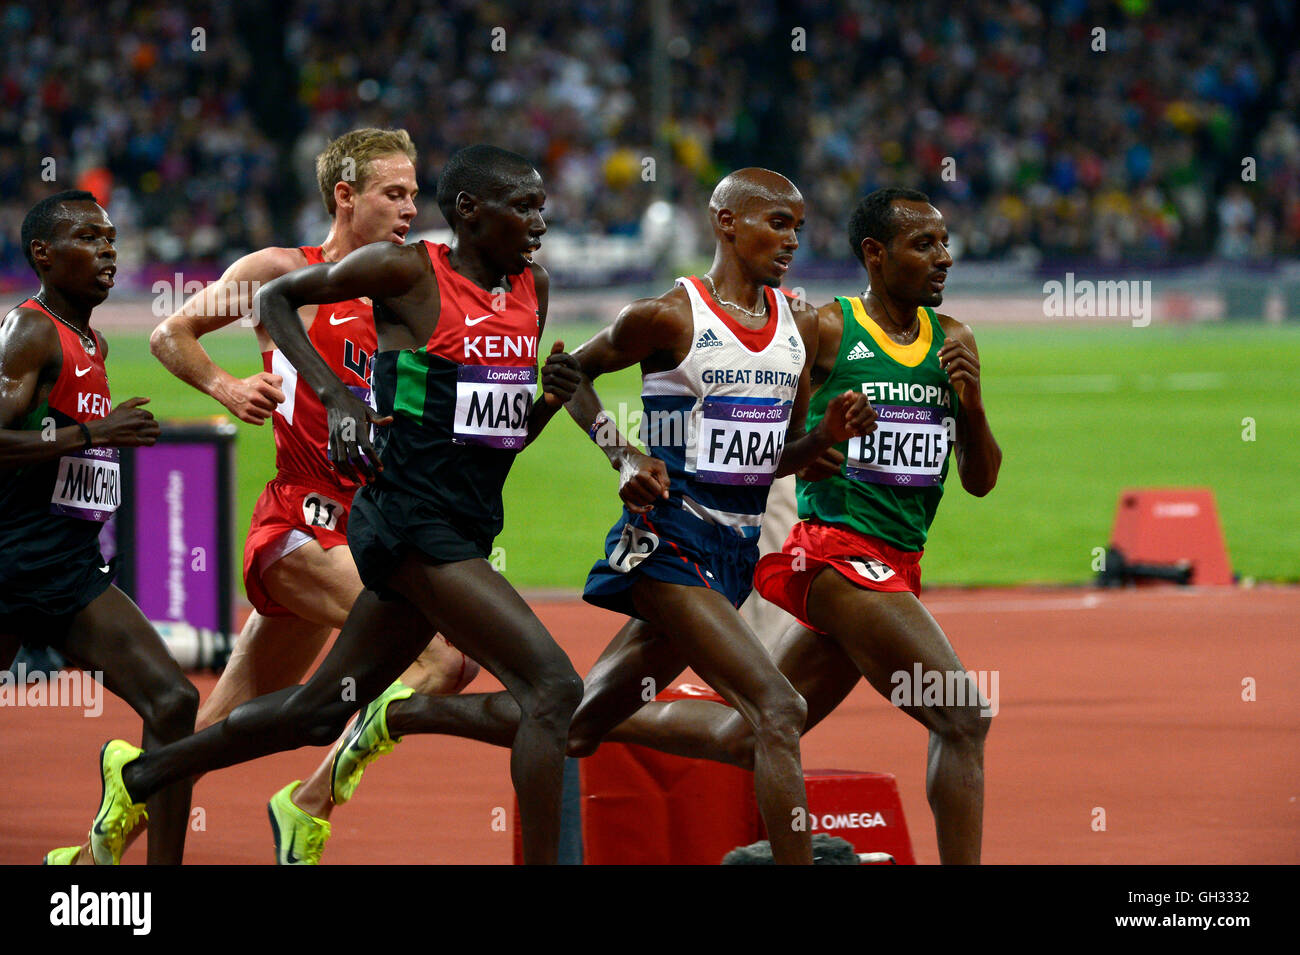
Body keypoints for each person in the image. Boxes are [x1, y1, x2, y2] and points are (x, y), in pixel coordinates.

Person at [348, 169, 876, 865]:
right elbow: (572, 376)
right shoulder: (666, 315)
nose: (790, 240)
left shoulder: (797, 333)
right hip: (668, 544)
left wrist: (822, 440)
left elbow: (773, 461)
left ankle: (401, 711)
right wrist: (623, 455)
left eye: (798, 227)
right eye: (776, 222)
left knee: (575, 725)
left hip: (732, 555)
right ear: (725, 222)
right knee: (778, 709)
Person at [82, 145, 586, 865]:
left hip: (377, 512)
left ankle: (123, 799)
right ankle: (315, 799)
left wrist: (542, 404)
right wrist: (232, 388)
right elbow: (171, 333)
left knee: (292, 712)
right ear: (346, 196)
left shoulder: (426, 286)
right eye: (393, 194)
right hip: (310, 519)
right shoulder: (285, 272)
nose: (411, 209)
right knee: (456, 663)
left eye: (415, 194)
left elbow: (487, 429)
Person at [605, 188, 1002, 864]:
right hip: (835, 556)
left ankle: (588, 714)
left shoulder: (954, 341)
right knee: (961, 713)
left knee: (747, 730)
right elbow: (772, 428)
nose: (945, 258)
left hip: (899, 561)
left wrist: (971, 404)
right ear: (875, 255)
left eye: (945, 243)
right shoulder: (825, 329)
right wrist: (813, 439)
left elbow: (980, 478)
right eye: (925, 245)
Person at [0, 191, 198, 865]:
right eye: (89, 239)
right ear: (44, 257)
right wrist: (94, 432)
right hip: (6, 561)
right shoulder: (28, 331)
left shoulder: (94, 341)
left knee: (172, 701)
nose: (108, 251)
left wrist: (97, 446)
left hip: (68, 569)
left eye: (111, 239)